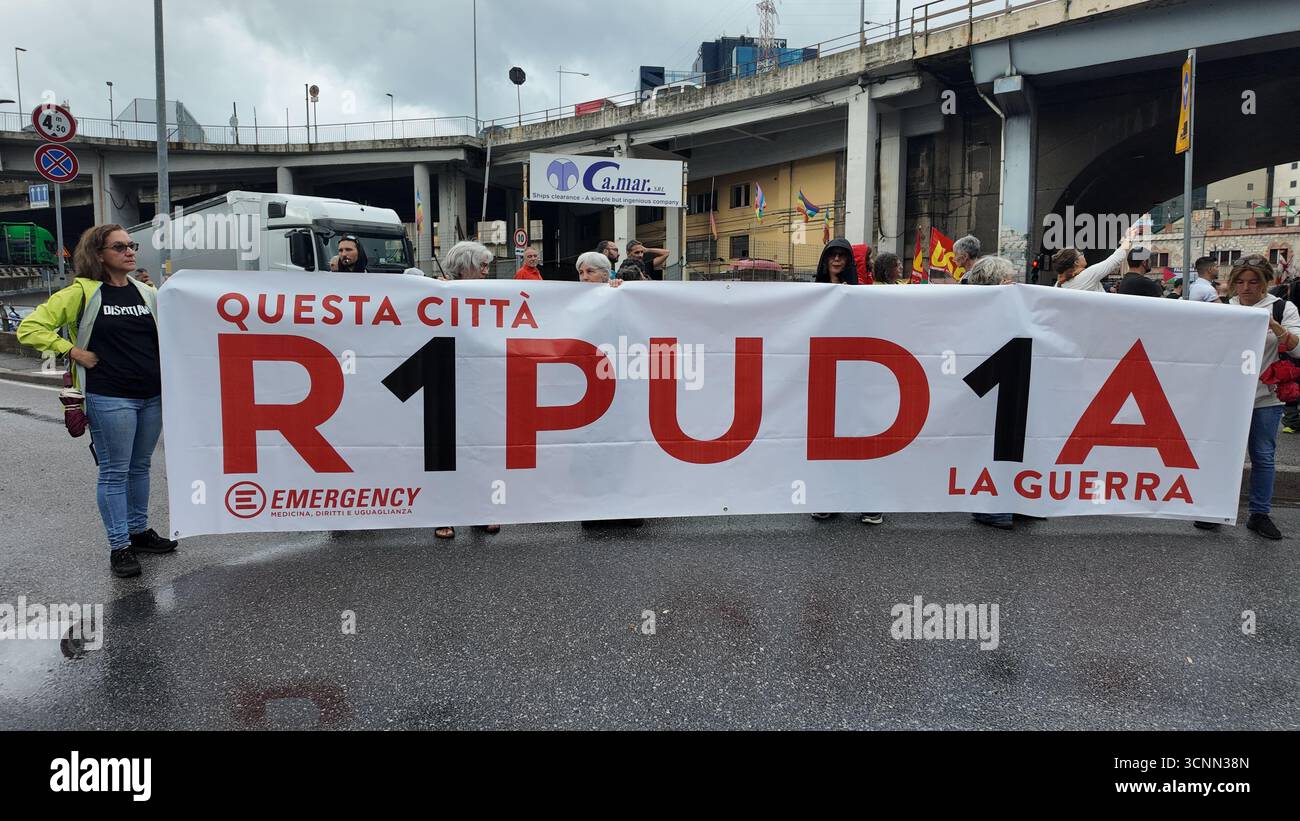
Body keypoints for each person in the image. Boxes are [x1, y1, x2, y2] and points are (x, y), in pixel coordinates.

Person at [17, 224, 178, 578]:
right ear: (98, 254)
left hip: (151, 396)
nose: (130, 252)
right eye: (119, 247)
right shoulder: (81, 293)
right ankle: (119, 546)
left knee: (140, 467)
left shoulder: (146, 292)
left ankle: (139, 532)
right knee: (115, 472)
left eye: (131, 245)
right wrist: (72, 351)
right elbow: (28, 328)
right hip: (109, 396)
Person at [1199, 256, 1300, 539]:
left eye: (1254, 281)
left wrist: (1273, 326)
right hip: (1228, 396)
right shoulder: (1224, 309)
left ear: (1266, 282)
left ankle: (1259, 513)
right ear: (1232, 284)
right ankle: (1214, 510)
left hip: (1265, 397)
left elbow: (1297, 349)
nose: (1246, 288)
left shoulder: (1282, 307)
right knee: (1221, 453)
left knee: (1263, 456)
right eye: (1240, 282)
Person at [432, 240, 500, 541]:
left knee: (479, 449)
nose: (487, 272)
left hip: (479, 381)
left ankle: (480, 510)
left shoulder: (494, 294)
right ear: (465, 267)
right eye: (482, 266)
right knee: (445, 453)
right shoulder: (435, 292)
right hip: (443, 379)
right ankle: (443, 513)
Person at [810, 238, 881, 525]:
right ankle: (829, 499)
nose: (837, 260)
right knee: (826, 442)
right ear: (825, 259)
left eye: (842, 256)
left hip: (855, 376)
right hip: (823, 375)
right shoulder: (812, 293)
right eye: (832, 255)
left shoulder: (862, 294)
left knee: (861, 438)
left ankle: (869, 502)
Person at [1053, 221, 1139, 291]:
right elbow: (1116, 258)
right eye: (1080, 254)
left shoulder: (1058, 285)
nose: (1083, 255)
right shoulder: (1087, 276)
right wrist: (1130, 237)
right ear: (1076, 262)